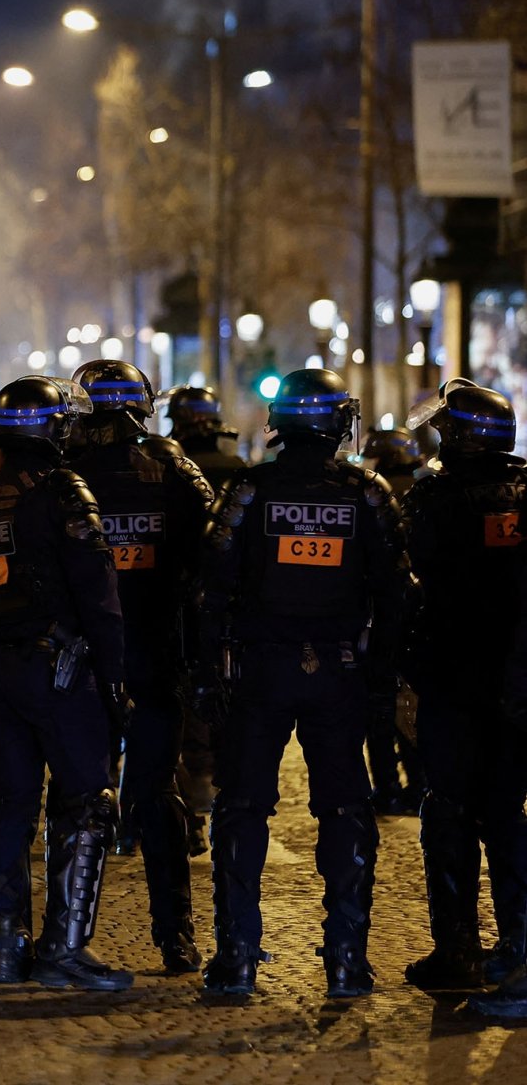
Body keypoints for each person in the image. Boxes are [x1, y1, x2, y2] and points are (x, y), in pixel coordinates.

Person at [195, 368, 411, 998]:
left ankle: (235, 956)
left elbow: (209, 585)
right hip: (340, 672)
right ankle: (347, 960)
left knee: (241, 810)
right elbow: (396, 592)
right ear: (338, 422)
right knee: (345, 810)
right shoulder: (366, 493)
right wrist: (382, 678)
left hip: (259, 671)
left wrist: (210, 671)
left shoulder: (250, 490)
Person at [0, 375, 132, 992]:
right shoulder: (63, 491)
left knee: (11, 806)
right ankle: (63, 948)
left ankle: (7, 945)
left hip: (0, 672)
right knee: (88, 804)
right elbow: (98, 591)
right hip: (61, 670)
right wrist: (115, 679)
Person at [67, 361, 215, 975]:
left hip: (84, 661)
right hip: (154, 654)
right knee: (157, 798)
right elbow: (213, 553)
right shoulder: (173, 467)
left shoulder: (61, 467)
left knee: (79, 800)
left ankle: (65, 939)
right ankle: (176, 937)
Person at [395, 382, 527, 992]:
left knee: (449, 811)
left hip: (453, 675)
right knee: (509, 815)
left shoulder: (434, 498)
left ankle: (459, 952)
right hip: (518, 679)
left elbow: (410, 585)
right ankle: (518, 947)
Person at [159, 385, 247, 854]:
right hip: (230, 613)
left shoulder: (162, 473)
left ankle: (188, 812)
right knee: (228, 717)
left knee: (181, 716)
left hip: (175, 610)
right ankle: (229, 809)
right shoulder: (238, 472)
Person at [360, 426, 427, 815]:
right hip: (421, 617)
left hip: (377, 615)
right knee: (417, 704)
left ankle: (386, 788)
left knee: (379, 709)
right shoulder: (426, 490)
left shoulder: (372, 491)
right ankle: (420, 785)